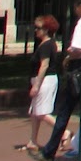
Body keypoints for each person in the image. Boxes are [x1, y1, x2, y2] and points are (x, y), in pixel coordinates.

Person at [35, 0, 81, 161]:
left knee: (65, 110)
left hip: (80, 67)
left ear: (80, 6)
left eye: (76, 7)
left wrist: (68, 56)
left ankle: (49, 151)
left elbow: (78, 48)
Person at [20, 15, 59, 153]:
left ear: (47, 29)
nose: (35, 30)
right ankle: (33, 141)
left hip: (45, 81)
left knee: (41, 113)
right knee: (35, 113)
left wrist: (36, 85)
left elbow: (44, 65)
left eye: (39, 28)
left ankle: (64, 133)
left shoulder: (47, 45)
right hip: (44, 80)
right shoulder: (45, 44)